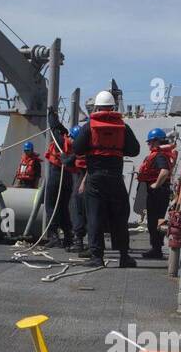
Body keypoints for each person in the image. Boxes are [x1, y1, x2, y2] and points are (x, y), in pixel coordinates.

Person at [72, 90, 141, 268]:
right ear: (113, 107)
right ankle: (124, 256)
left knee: (94, 216)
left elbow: (77, 148)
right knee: (120, 216)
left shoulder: (90, 126)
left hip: (95, 177)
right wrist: (117, 150)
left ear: (96, 107)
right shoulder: (123, 126)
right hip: (115, 177)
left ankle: (97, 257)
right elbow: (134, 150)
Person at [136, 128, 175, 260]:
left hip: (158, 192)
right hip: (159, 192)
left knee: (154, 222)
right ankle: (156, 248)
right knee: (156, 221)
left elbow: (164, 171)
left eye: (150, 142)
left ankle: (156, 249)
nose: (149, 145)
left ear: (157, 141)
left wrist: (155, 185)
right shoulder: (162, 154)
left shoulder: (159, 156)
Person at [41, 123, 75, 249]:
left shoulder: (60, 141)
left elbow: (54, 129)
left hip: (56, 174)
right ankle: (68, 236)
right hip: (68, 177)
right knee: (64, 208)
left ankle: (53, 236)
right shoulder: (77, 147)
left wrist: (52, 116)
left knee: (51, 206)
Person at [67, 124, 89, 254]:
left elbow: (87, 167)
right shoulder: (85, 150)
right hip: (82, 178)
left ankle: (78, 242)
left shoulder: (80, 153)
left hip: (81, 179)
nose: (68, 139)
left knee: (77, 210)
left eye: (71, 136)